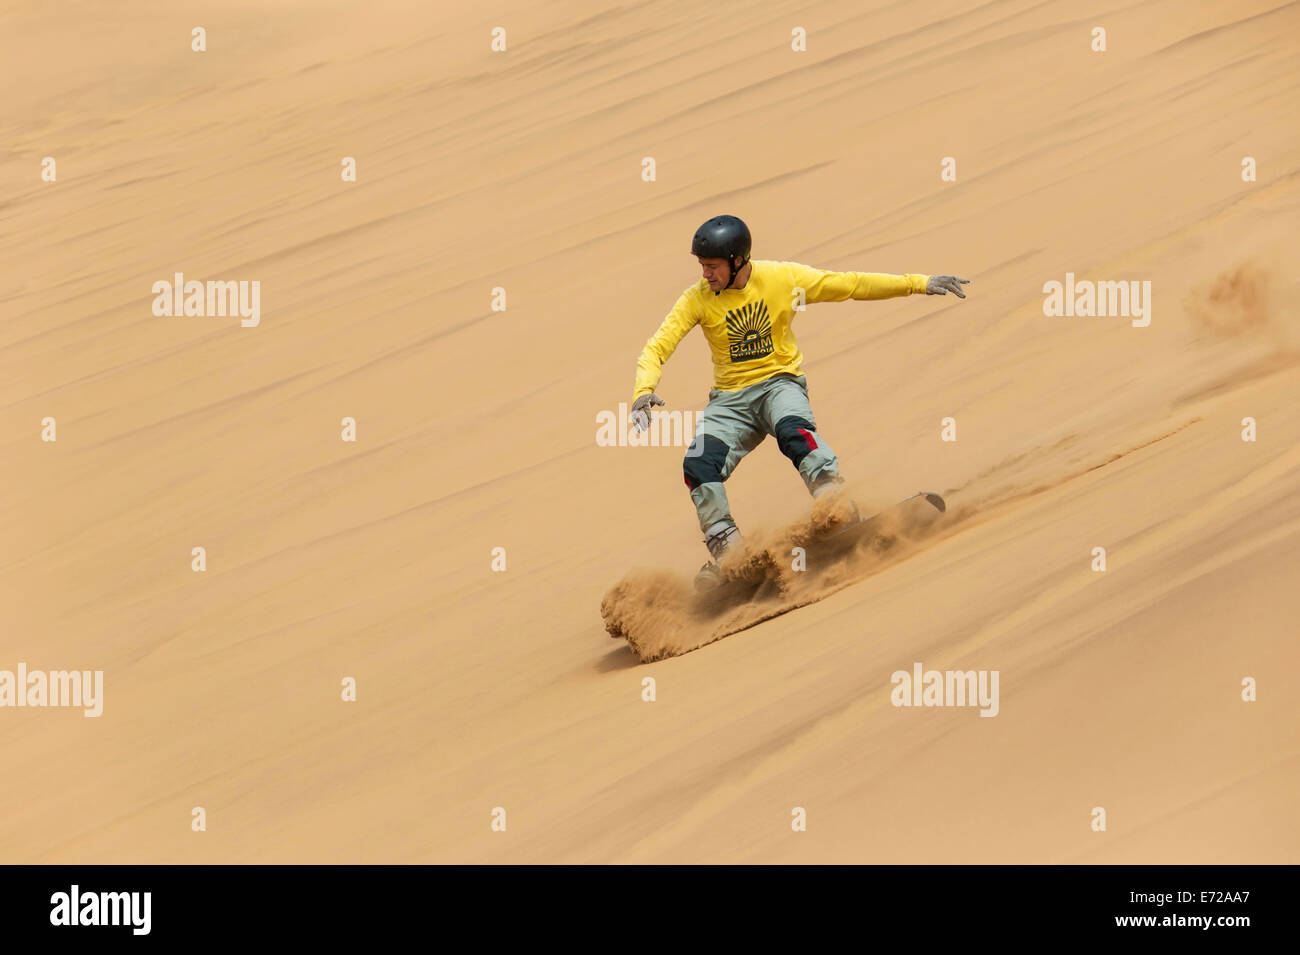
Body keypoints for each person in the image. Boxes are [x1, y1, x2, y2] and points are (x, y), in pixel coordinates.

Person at [629, 214, 970, 589]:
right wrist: (643, 391)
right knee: (697, 466)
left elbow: (849, 284)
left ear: (737, 260)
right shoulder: (696, 299)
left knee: (795, 435)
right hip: (730, 403)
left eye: (711, 266)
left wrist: (919, 283)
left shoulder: (782, 279)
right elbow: (657, 346)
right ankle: (730, 552)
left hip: (779, 385)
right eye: (702, 267)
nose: (705, 274)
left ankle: (837, 508)